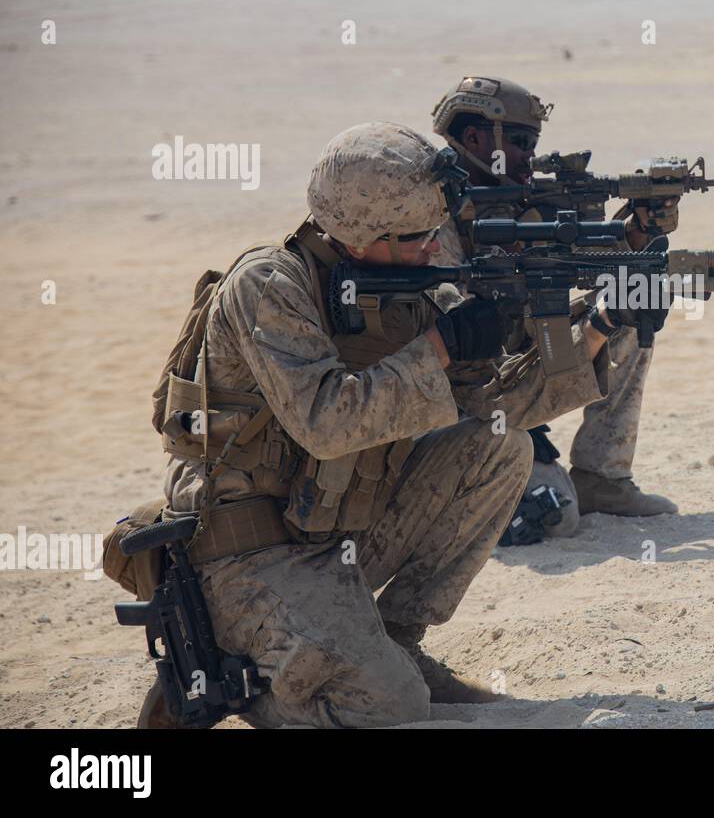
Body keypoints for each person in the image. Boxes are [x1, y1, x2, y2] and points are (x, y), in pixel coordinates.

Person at [145, 121, 656, 727]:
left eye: (435, 231)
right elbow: (326, 421)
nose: (431, 248)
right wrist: (439, 346)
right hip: (247, 554)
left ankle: (397, 641)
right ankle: (223, 689)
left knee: (499, 449)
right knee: (389, 707)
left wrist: (601, 323)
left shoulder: (405, 289)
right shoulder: (269, 286)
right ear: (362, 232)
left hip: (329, 531)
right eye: (415, 236)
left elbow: (500, 406)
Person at [430, 76, 679, 539]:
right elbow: (463, 349)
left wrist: (638, 232)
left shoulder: (524, 203)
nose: (529, 155)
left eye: (533, 143)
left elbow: (591, 257)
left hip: (520, 369)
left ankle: (601, 478)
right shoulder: (431, 222)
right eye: (521, 142)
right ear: (474, 139)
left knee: (630, 313)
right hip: (465, 404)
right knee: (557, 519)